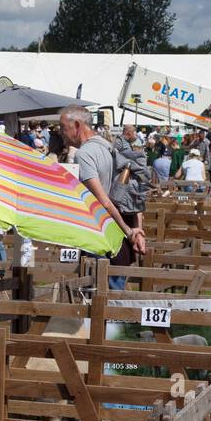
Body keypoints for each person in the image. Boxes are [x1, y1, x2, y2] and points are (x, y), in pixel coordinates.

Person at [58, 106, 146, 290]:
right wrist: (137, 230)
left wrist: (130, 232)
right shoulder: (109, 146)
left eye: (62, 127)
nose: (61, 133)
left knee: (99, 301)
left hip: (101, 237)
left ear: (76, 125)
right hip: (119, 240)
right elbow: (133, 193)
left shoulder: (84, 154)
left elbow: (102, 202)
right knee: (115, 302)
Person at [110, 137, 151, 266]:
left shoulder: (117, 170)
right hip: (126, 225)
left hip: (118, 224)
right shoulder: (137, 174)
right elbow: (137, 204)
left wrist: (136, 232)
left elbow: (115, 202)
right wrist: (138, 232)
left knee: (118, 265)